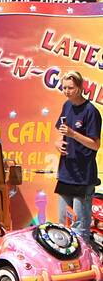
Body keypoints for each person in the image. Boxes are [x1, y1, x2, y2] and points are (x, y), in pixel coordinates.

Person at [55, 70, 101, 241]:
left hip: (83, 175)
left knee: (79, 226)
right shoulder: (66, 106)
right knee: (62, 223)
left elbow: (95, 144)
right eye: (64, 88)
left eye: (71, 88)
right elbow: (62, 132)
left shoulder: (91, 111)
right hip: (66, 172)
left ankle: (84, 254)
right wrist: (58, 143)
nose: (67, 91)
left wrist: (73, 134)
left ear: (80, 88)